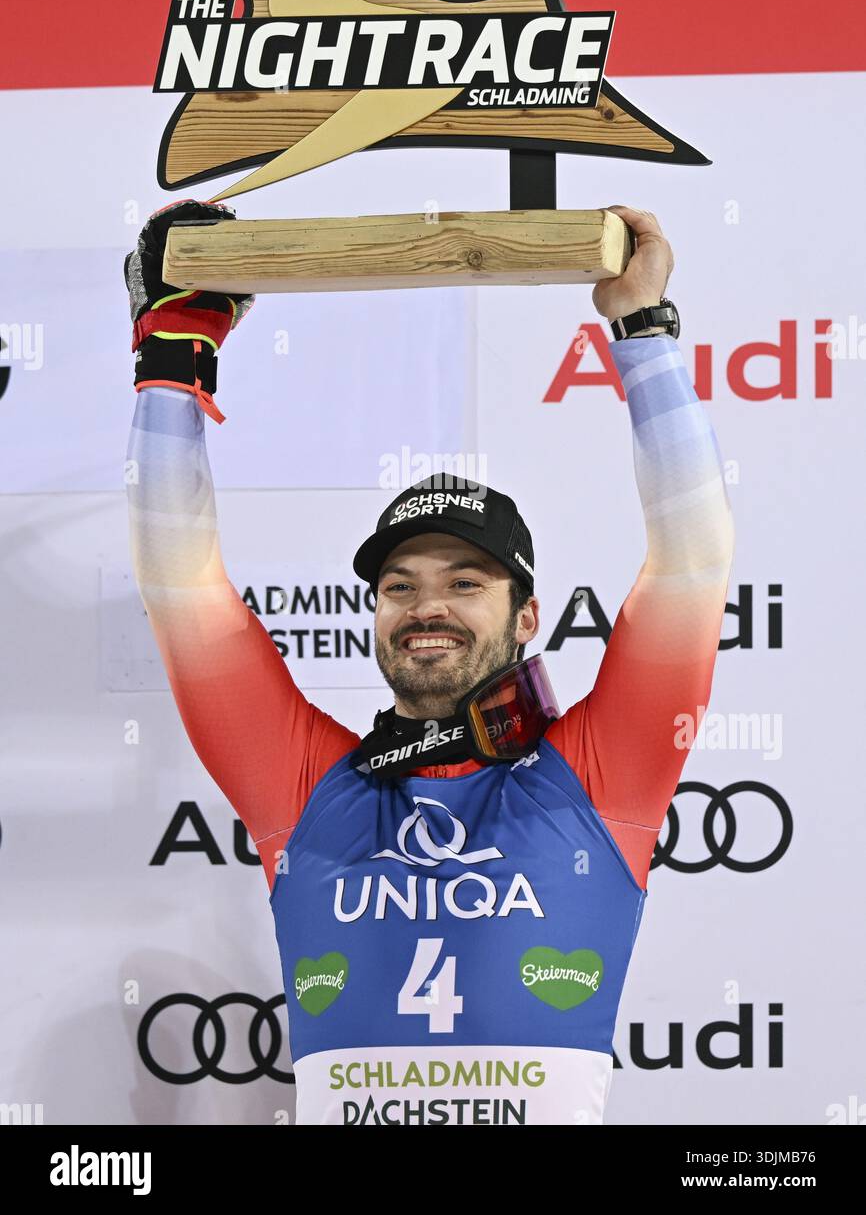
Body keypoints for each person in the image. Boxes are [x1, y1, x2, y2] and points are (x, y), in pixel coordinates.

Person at [125, 201, 735, 1126]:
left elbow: (694, 561)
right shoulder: (305, 786)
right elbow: (182, 587)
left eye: (465, 581)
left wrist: (641, 332)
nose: (428, 607)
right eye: (399, 585)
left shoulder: (600, 778)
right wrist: (171, 361)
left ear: (528, 615)